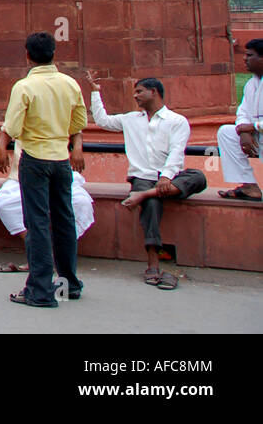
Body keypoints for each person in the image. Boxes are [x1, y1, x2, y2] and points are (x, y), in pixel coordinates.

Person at [87, 70, 207, 289]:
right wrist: (95, 92)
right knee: (152, 203)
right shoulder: (130, 120)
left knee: (198, 177)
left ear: (154, 92)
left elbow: (177, 152)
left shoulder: (177, 121)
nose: (136, 96)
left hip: (170, 177)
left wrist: (167, 177)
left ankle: (143, 195)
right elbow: (103, 121)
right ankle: (153, 259)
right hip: (143, 177)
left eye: (140, 91)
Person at [0, 32, 87, 307]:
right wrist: (77, 148)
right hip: (61, 160)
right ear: (53, 54)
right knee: (63, 220)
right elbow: (78, 123)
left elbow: (12, 127)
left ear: (27, 55)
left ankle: (40, 290)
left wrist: (1, 149)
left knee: (37, 224)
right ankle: (69, 284)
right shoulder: (69, 84)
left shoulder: (25, 86)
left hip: (35, 159)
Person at [0, 139, 94, 273]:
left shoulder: (63, 118)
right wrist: (1, 149)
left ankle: (57, 257)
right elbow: (8, 128)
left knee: (81, 203)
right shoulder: (23, 118)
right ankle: (42, 254)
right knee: (3, 202)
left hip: (57, 170)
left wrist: (77, 149)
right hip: (26, 173)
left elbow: (77, 128)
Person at [217, 38, 263, 201]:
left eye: (250, 55)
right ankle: (249, 185)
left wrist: (253, 127)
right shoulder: (251, 85)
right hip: (257, 136)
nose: (244, 59)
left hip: (258, 132)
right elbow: (242, 112)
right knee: (226, 132)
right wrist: (243, 131)